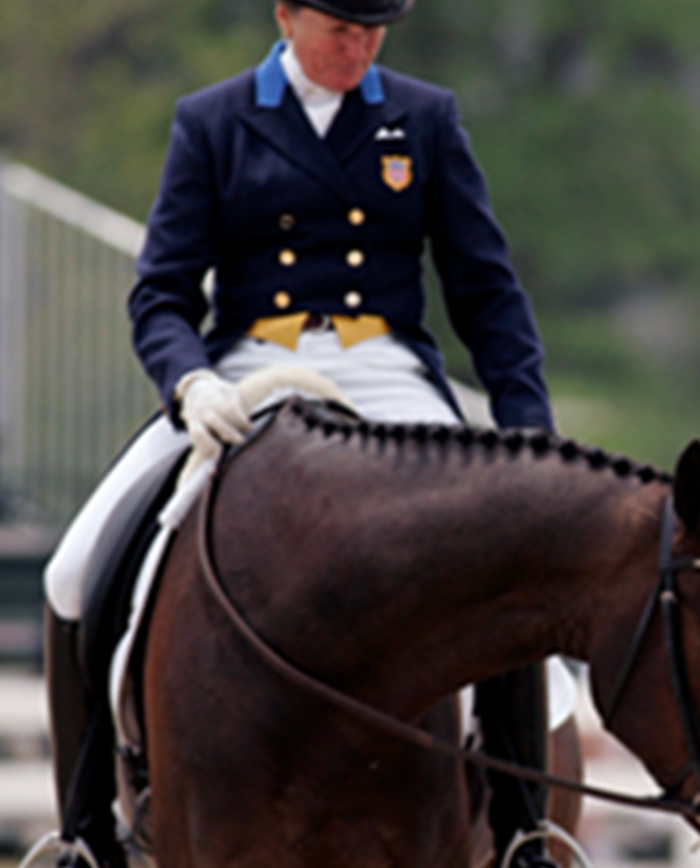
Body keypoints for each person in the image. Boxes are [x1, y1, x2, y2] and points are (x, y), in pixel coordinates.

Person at [41, 1, 561, 866]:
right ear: (286, 14)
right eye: (339, 30)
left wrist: (528, 433)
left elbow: (485, 290)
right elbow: (161, 292)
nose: (358, 49)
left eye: (373, 32)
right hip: (244, 371)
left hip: (386, 370)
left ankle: (521, 832)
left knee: (500, 552)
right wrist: (189, 379)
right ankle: (86, 835)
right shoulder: (212, 119)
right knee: (73, 569)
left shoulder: (422, 118)